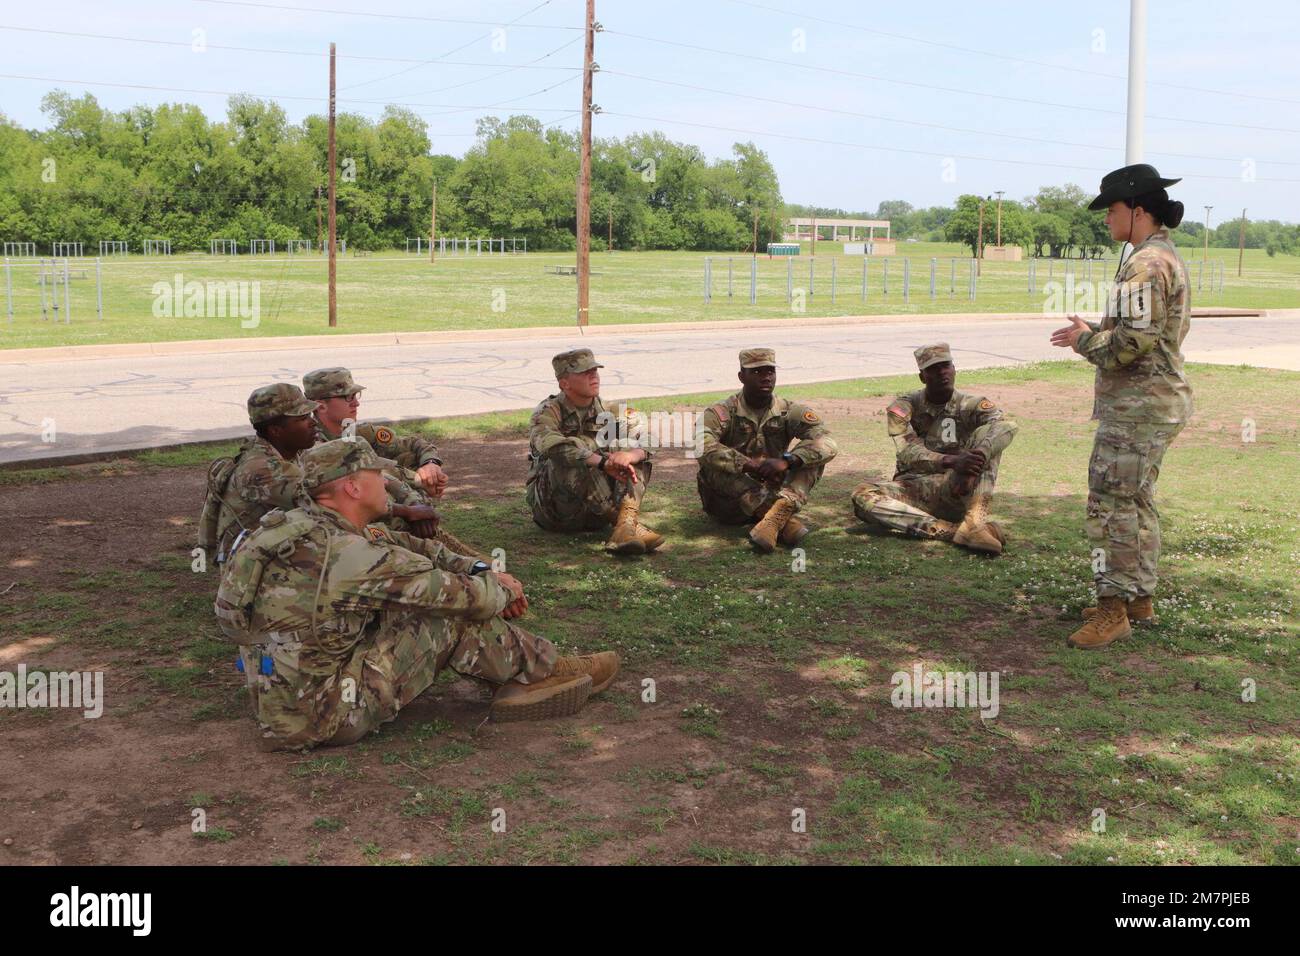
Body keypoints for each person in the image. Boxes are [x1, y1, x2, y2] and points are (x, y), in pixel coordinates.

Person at [214, 439, 620, 751]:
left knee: (434, 600)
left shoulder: (300, 526)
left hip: (280, 701)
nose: (386, 483)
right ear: (353, 487)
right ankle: (542, 671)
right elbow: (466, 599)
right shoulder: (350, 557)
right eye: (378, 475)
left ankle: (526, 673)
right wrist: (500, 586)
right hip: (324, 716)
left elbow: (405, 543)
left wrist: (476, 566)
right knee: (444, 614)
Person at [1050, 163, 1192, 649]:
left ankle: (1113, 610)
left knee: (1109, 504)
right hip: (1153, 405)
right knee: (1136, 501)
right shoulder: (1159, 255)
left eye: (1111, 210)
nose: (1106, 219)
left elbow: (1134, 344)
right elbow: (1140, 333)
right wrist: (1096, 333)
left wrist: (1085, 341)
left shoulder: (1146, 263)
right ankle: (1137, 598)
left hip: (1138, 408)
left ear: (1137, 210)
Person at [199, 384, 438, 566]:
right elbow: (327, 501)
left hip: (284, 541)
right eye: (303, 419)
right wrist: (406, 510)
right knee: (375, 529)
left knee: (379, 525)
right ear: (276, 430)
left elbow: (370, 473)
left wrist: (409, 501)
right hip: (253, 563)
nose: (313, 423)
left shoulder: (293, 451)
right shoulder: (260, 469)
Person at [851, 344, 1017, 555]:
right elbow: (907, 451)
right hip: (915, 490)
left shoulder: (972, 404)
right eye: (933, 368)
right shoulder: (903, 407)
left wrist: (976, 460)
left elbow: (1007, 425)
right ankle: (953, 531)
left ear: (954, 369)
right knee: (862, 495)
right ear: (922, 377)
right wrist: (951, 461)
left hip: (958, 487)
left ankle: (975, 521)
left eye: (946, 366)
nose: (942, 373)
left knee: (993, 438)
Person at [696, 348, 838, 553]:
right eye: (757, 372)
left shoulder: (788, 410)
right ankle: (784, 521)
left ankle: (775, 517)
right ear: (741, 377)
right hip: (729, 503)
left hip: (774, 488)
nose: (766, 378)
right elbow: (700, 445)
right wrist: (748, 464)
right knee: (713, 465)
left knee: (811, 457)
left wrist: (788, 460)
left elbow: (827, 440)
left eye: (770, 372)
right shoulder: (722, 411)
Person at [526, 348, 665, 555]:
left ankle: (625, 524)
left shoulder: (611, 411)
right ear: (564, 383)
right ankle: (624, 525)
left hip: (596, 515)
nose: (593, 376)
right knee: (572, 451)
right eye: (584, 373)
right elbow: (553, 446)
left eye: (595, 371)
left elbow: (650, 438)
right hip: (557, 511)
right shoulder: (547, 412)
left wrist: (630, 455)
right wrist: (601, 462)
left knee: (630, 449)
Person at [303, 367, 447, 498]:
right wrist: (419, 480)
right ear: (321, 406)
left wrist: (431, 464)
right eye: (348, 397)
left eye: (355, 395)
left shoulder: (351, 431)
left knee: (409, 456)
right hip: (342, 515)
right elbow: (364, 474)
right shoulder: (312, 444)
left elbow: (413, 443)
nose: (356, 403)